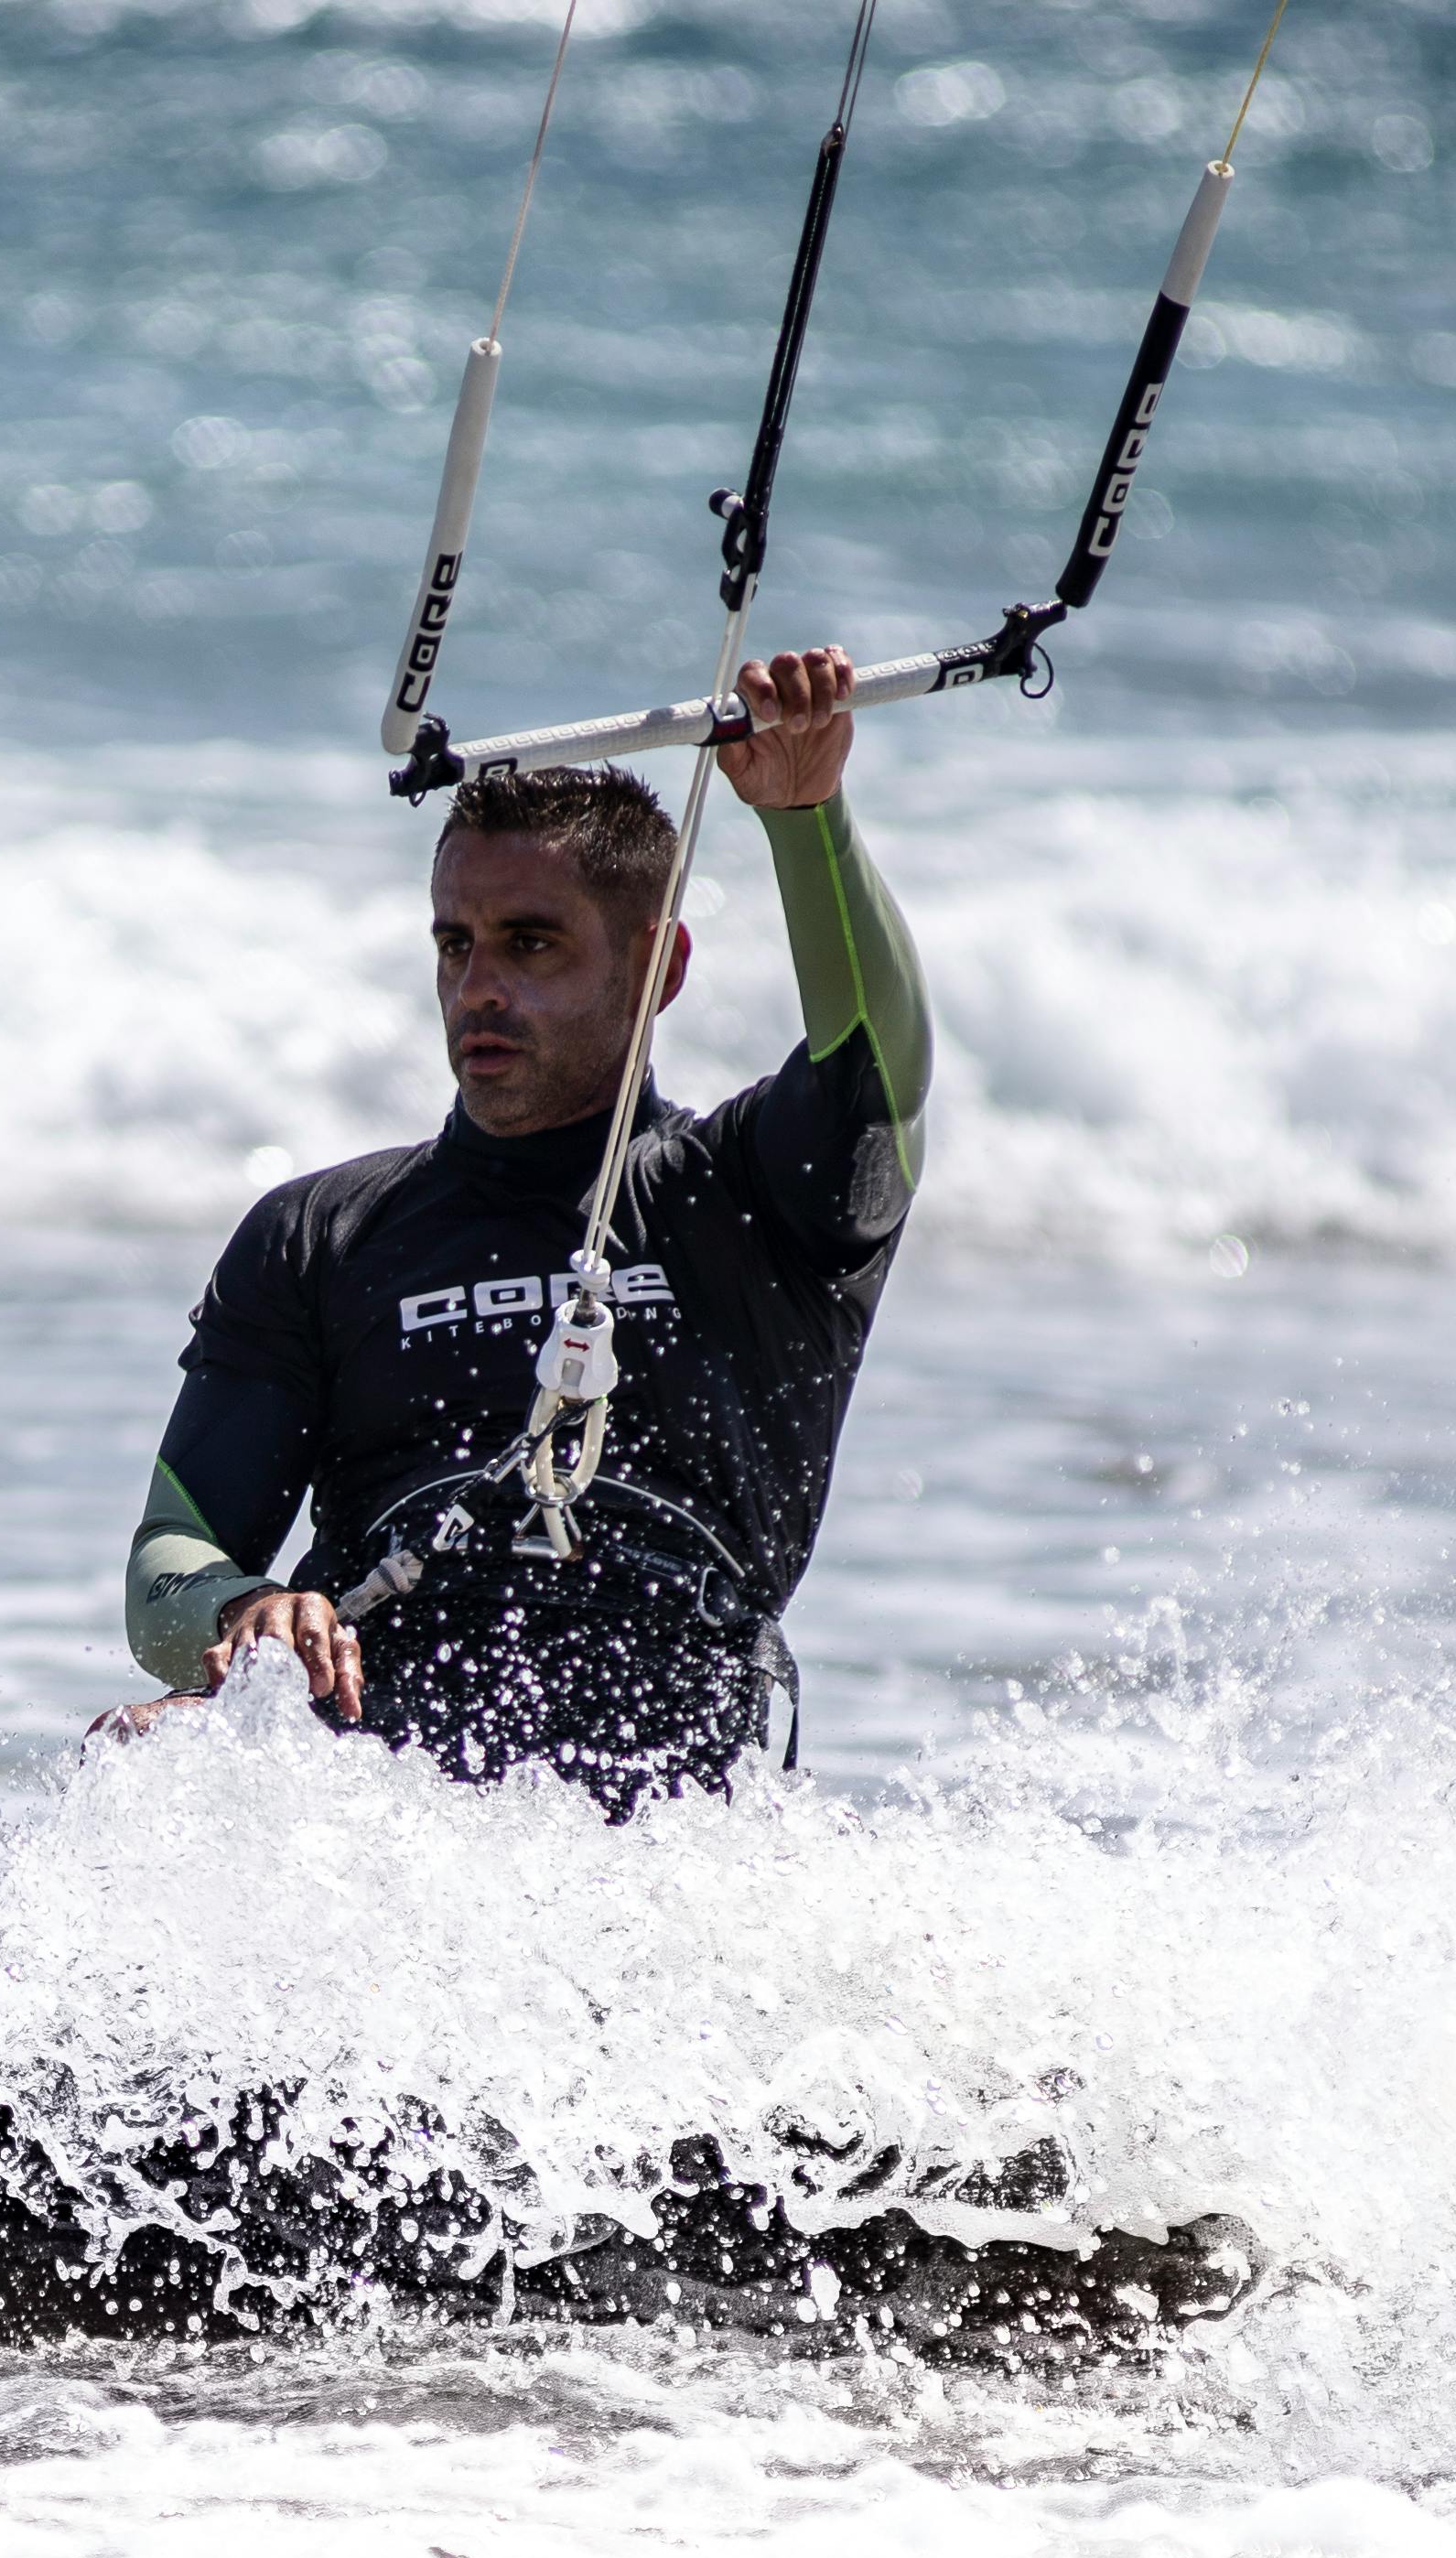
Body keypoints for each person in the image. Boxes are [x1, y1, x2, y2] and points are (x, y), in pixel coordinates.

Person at [116, 647, 927, 1808]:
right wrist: (244, 1608)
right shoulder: (321, 1234)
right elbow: (167, 1564)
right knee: (134, 1746)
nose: (478, 987)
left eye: (529, 942)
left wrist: (806, 817)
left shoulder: (754, 1194)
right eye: (456, 943)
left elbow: (880, 1063)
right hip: (387, 1795)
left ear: (658, 965)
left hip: (671, 1807)